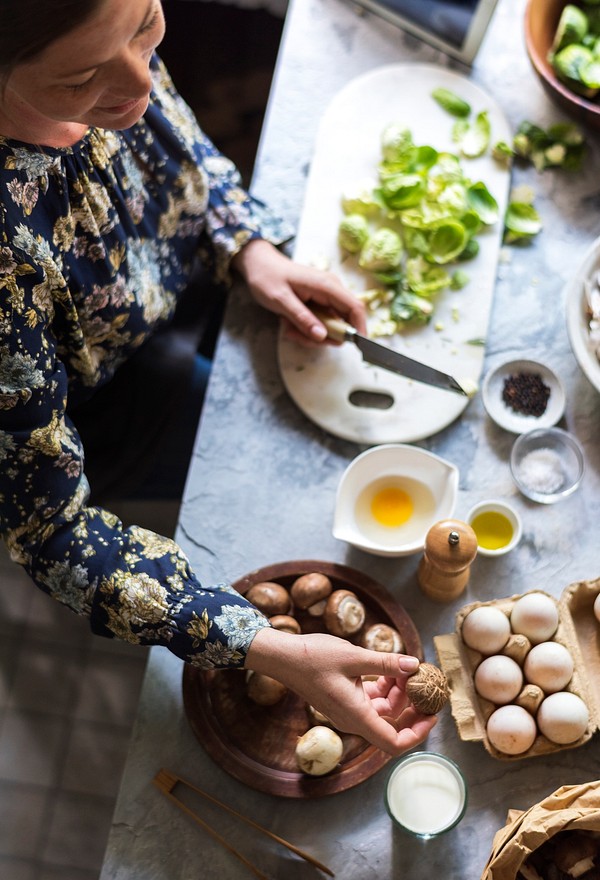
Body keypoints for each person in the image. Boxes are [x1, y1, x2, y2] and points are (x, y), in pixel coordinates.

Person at [0, 0, 437, 755]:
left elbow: (175, 142)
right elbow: (50, 529)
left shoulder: (110, 54)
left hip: (157, 310)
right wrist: (264, 647)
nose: (139, 83)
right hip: (95, 411)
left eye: (145, 24)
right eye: (79, 80)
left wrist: (244, 243)